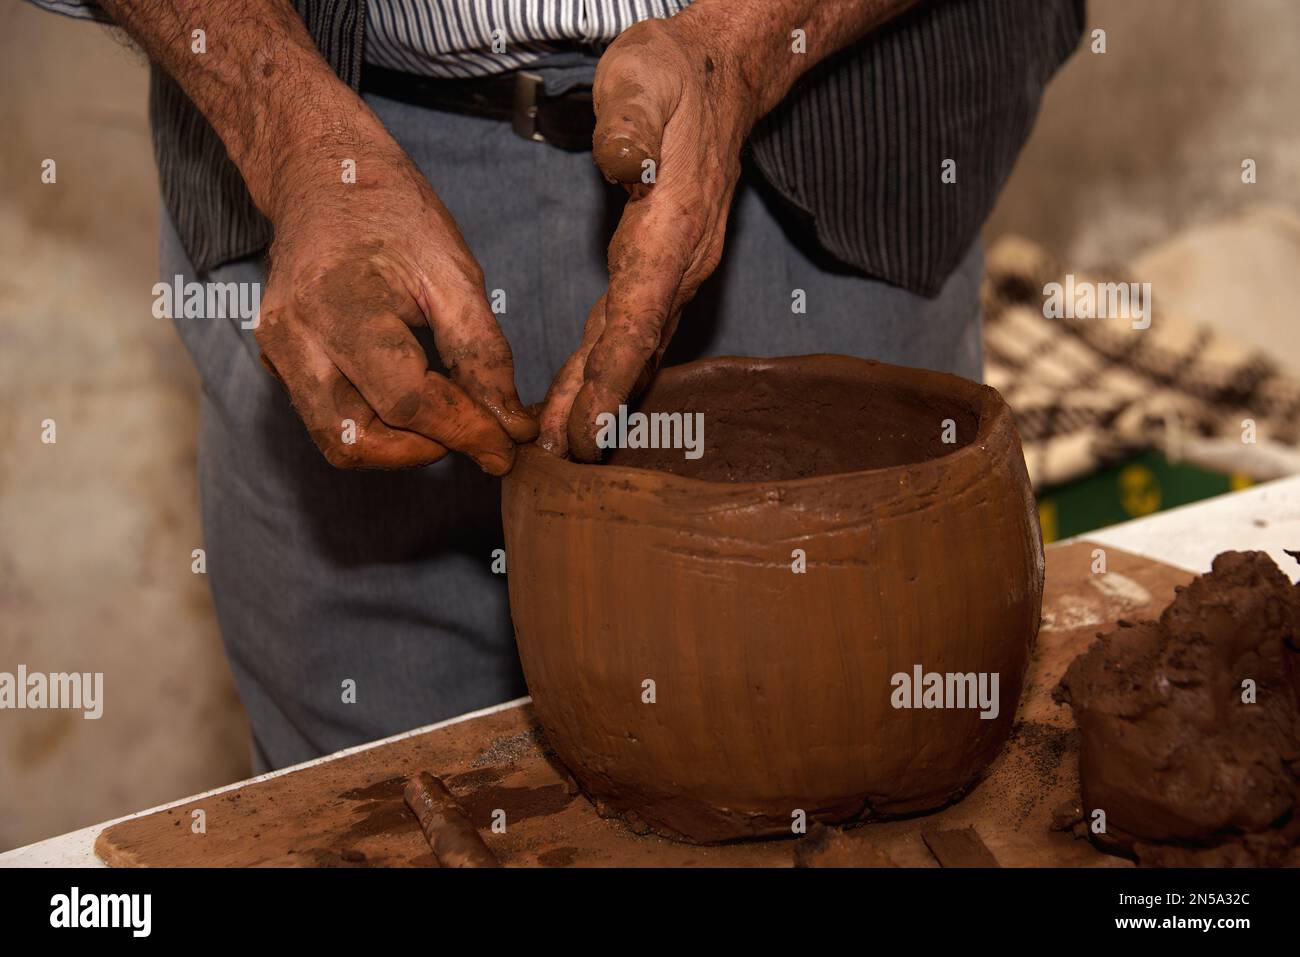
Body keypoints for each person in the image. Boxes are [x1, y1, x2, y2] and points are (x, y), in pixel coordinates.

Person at [31, 0, 1084, 771]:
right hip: (321, 132)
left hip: (821, 132)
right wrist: (284, 129)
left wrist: (749, 43)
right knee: (374, 811)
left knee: (861, 748)